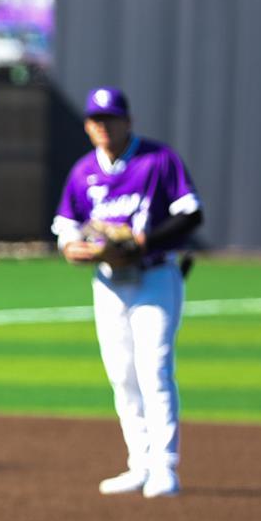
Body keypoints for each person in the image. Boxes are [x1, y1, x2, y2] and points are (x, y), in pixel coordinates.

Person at [50, 87, 204, 499]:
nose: (103, 126)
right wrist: (70, 247)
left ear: (128, 121)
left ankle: (165, 466)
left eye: (110, 118)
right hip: (108, 284)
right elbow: (66, 224)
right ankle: (139, 461)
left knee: (154, 370)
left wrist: (142, 242)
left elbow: (191, 213)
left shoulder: (158, 160)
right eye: (96, 120)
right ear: (87, 126)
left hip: (155, 276)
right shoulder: (83, 171)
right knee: (121, 374)